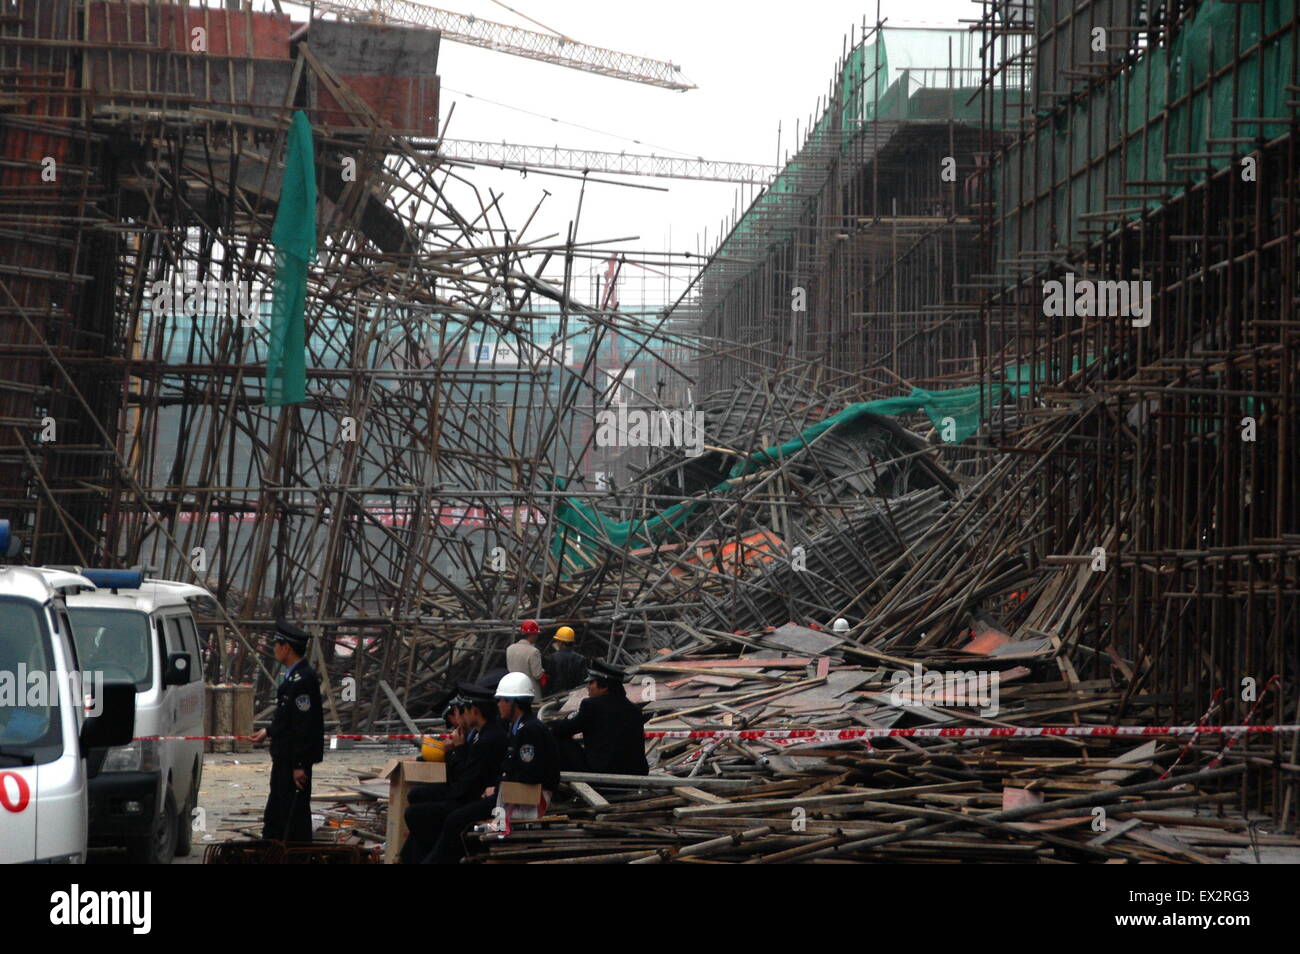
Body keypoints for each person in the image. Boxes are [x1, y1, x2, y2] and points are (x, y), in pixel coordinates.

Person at [427, 672, 559, 864]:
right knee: (457, 817)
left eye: (501, 701)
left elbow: (528, 774)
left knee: (457, 819)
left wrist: (497, 789)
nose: (498, 705)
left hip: (524, 801)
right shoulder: (519, 727)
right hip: (509, 796)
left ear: (513, 702)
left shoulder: (529, 730)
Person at [403, 683, 507, 864]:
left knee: (416, 813)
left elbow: (464, 783)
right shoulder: (478, 734)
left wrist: (457, 751)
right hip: (465, 790)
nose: (462, 717)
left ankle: (432, 855)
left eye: (463, 711)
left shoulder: (489, 737)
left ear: (475, 711)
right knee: (417, 796)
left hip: (472, 796)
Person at [250, 619, 324, 842]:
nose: (274, 650)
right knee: (279, 812)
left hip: (292, 761)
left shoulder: (303, 680)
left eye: (276, 645)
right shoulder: (295, 677)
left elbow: (304, 725)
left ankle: (292, 854)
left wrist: (299, 765)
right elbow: (288, 718)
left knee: (293, 816)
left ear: (286, 647)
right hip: (285, 757)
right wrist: (269, 731)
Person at [551, 659, 649, 776]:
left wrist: (554, 724)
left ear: (604, 686)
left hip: (602, 773)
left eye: (591, 683)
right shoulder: (635, 710)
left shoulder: (591, 705)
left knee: (556, 739)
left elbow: (563, 728)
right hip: (635, 774)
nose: (587, 687)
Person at [505, 618, 545, 699]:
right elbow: (537, 674)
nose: (537, 637)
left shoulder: (510, 648)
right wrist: (544, 672)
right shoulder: (533, 651)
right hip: (530, 690)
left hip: (513, 689)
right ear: (532, 634)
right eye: (536, 634)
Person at [545, 625, 588, 694]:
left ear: (561, 642)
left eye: (558, 641)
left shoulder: (553, 657)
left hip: (556, 696)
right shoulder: (580, 658)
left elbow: (549, 679)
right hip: (575, 694)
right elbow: (583, 680)